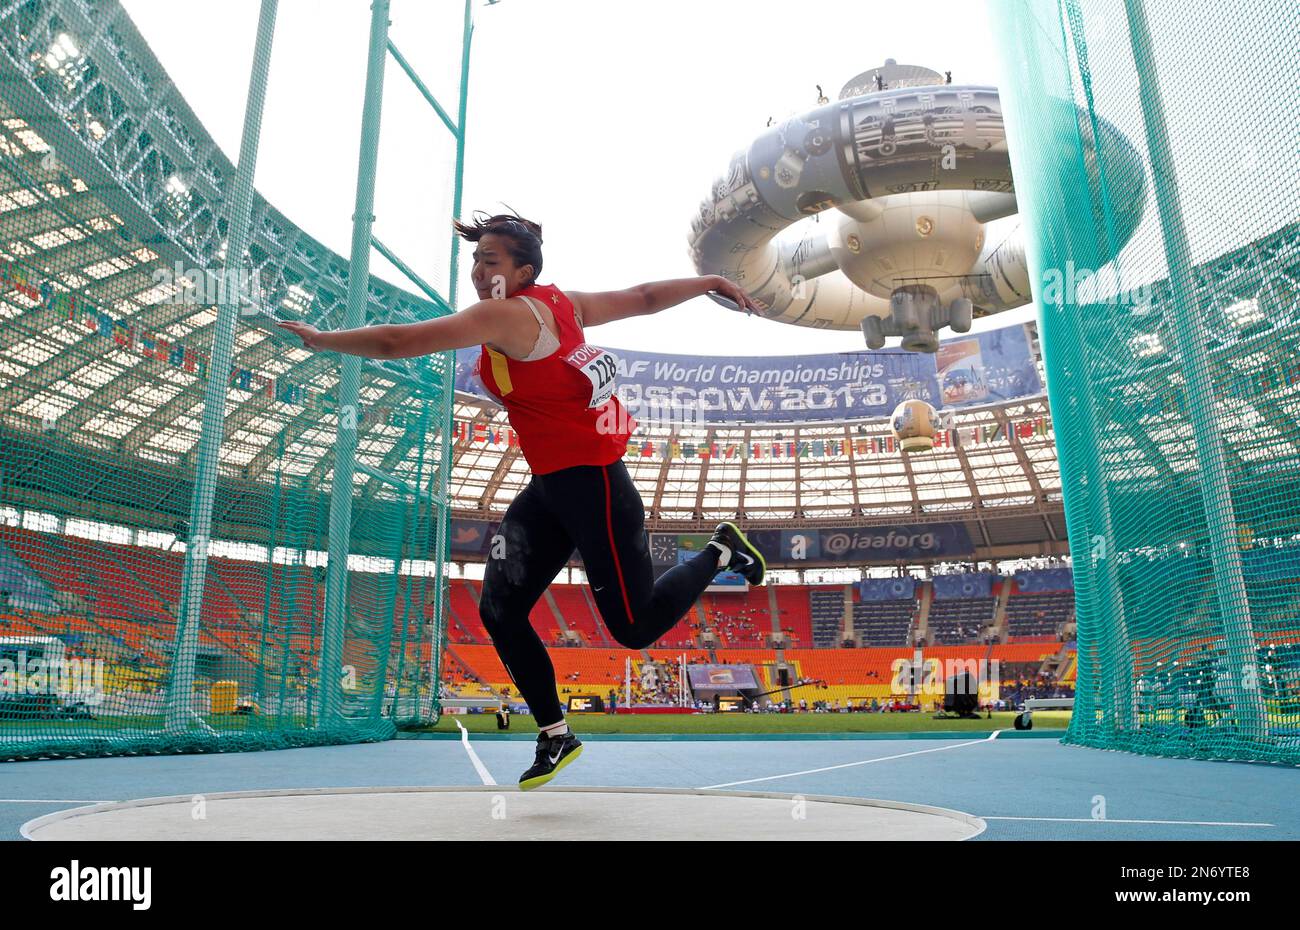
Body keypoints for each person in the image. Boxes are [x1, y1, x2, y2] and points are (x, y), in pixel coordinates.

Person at [278, 210, 767, 790]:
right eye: (476, 261)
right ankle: (556, 733)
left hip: (597, 487)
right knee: (499, 609)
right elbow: (641, 296)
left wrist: (321, 339)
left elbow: (396, 341)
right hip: (550, 488)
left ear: (522, 271)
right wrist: (708, 283)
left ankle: (717, 552)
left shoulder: (505, 315)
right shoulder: (563, 304)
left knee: (633, 629)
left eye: (491, 261)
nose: (479, 272)